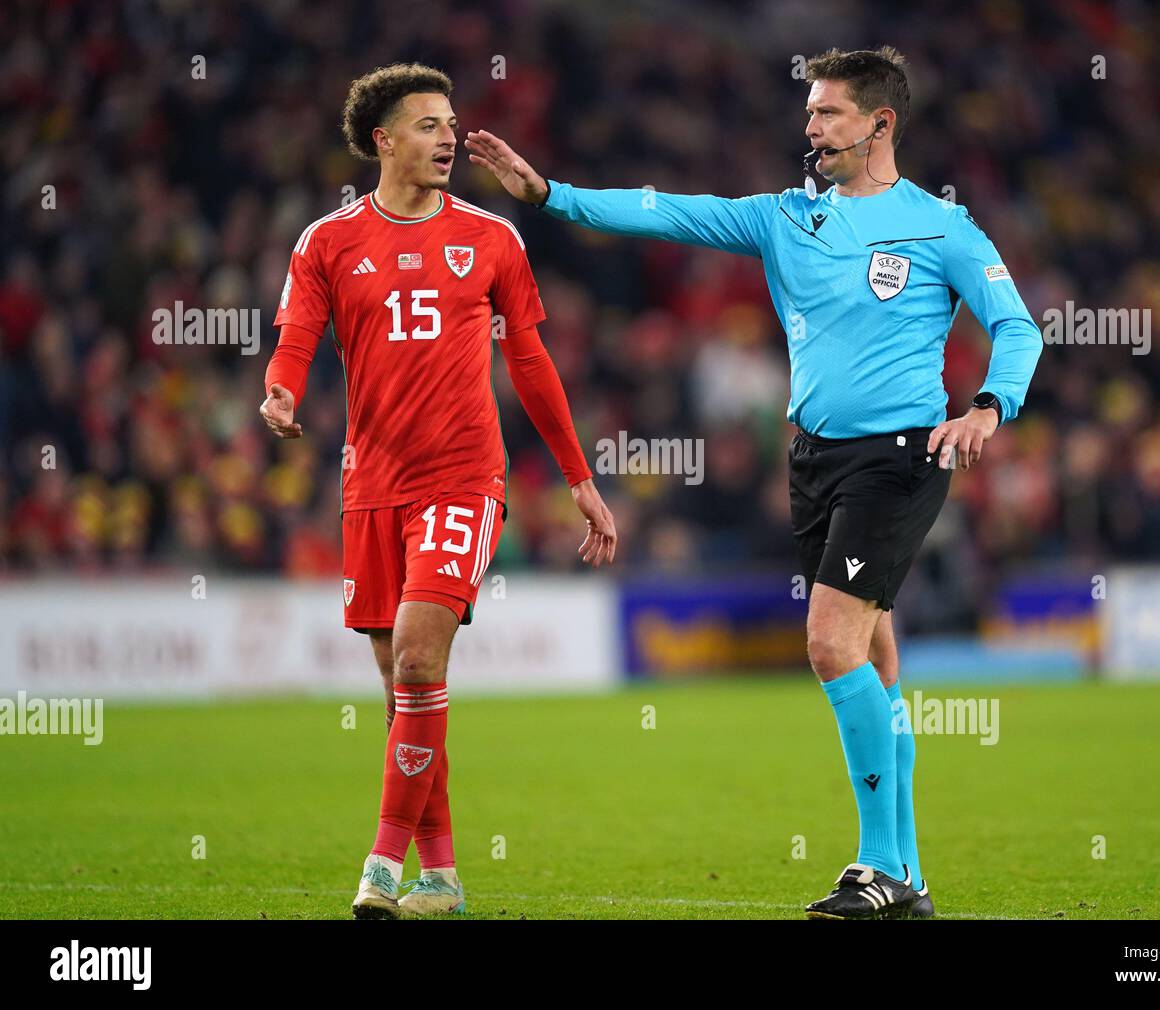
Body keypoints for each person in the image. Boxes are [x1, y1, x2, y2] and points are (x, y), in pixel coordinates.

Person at [467, 46, 1042, 919]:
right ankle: (912, 877)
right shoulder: (785, 218)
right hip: (813, 458)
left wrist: (989, 410)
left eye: (828, 113)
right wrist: (552, 196)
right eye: (809, 112)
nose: (809, 126)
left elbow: (1018, 327)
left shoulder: (942, 227)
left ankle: (879, 867)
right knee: (874, 653)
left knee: (829, 644)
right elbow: (666, 213)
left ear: (880, 124)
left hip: (900, 457)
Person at [259, 63, 617, 919]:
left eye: (450, 122)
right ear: (383, 141)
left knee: (421, 657)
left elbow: (529, 363)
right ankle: (444, 875)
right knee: (402, 689)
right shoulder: (326, 242)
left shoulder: (493, 237)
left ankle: (380, 867)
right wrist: (278, 388)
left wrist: (579, 477)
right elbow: (297, 336)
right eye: (428, 124)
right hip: (370, 485)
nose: (448, 136)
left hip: (463, 478)